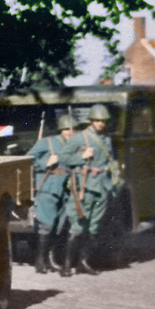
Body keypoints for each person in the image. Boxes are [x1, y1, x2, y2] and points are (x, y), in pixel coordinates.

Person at [58, 104, 116, 276]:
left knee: (93, 228)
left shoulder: (106, 140)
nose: (101, 124)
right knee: (77, 228)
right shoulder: (80, 138)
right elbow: (63, 158)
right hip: (83, 186)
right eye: (97, 120)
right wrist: (81, 157)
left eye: (103, 121)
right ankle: (66, 265)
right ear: (91, 120)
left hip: (101, 186)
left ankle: (83, 262)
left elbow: (110, 161)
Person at [28, 113, 75, 274]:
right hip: (48, 187)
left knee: (59, 225)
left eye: (74, 129)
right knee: (46, 224)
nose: (71, 132)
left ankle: (48, 259)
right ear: (61, 129)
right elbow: (28, 159)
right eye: (68, 129)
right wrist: (45, 163)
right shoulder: (47, 142)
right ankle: (39, 261)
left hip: (66, 189)